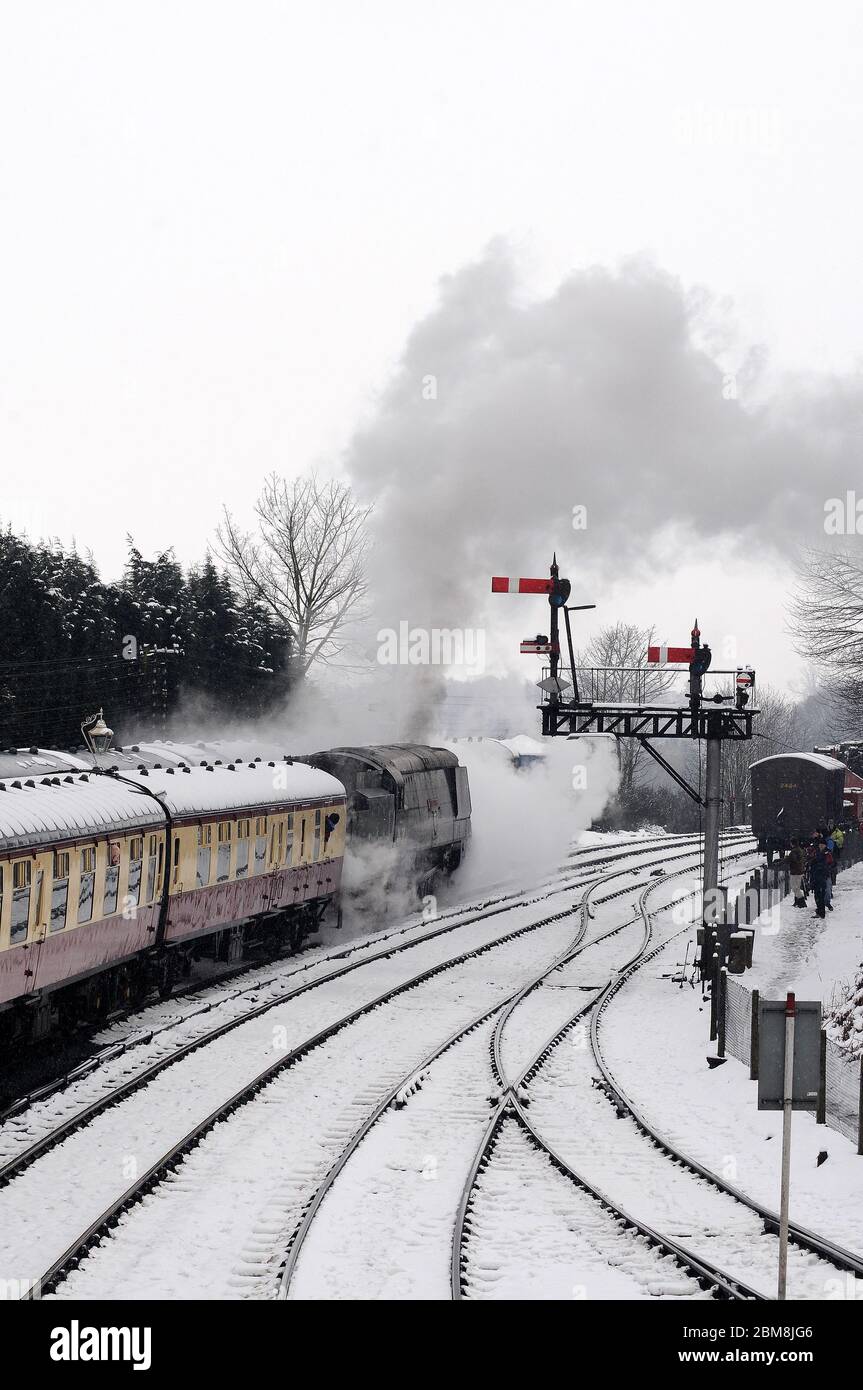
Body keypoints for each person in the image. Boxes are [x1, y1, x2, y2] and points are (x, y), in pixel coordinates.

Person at [808, 837, 830, 919]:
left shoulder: (826, 853)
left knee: (820, 896)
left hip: (821, 876)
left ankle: (821, 912)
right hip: (815, 876)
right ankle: (819, 911)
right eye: (820, 844)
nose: (821, 846)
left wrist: (816, 865)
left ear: (825, 845)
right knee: (817, 895)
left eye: (822, 844)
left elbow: (826, 864)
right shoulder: (818, 852)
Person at [788, 839, 806, 907]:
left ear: (792, 843)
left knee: (794, 887)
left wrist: (780, 862)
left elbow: (791, 859)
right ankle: (797, 902)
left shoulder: (794, 851)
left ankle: (802, 902)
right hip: (799, 870)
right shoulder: (799, 850)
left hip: (795, 871)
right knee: (797, 887)